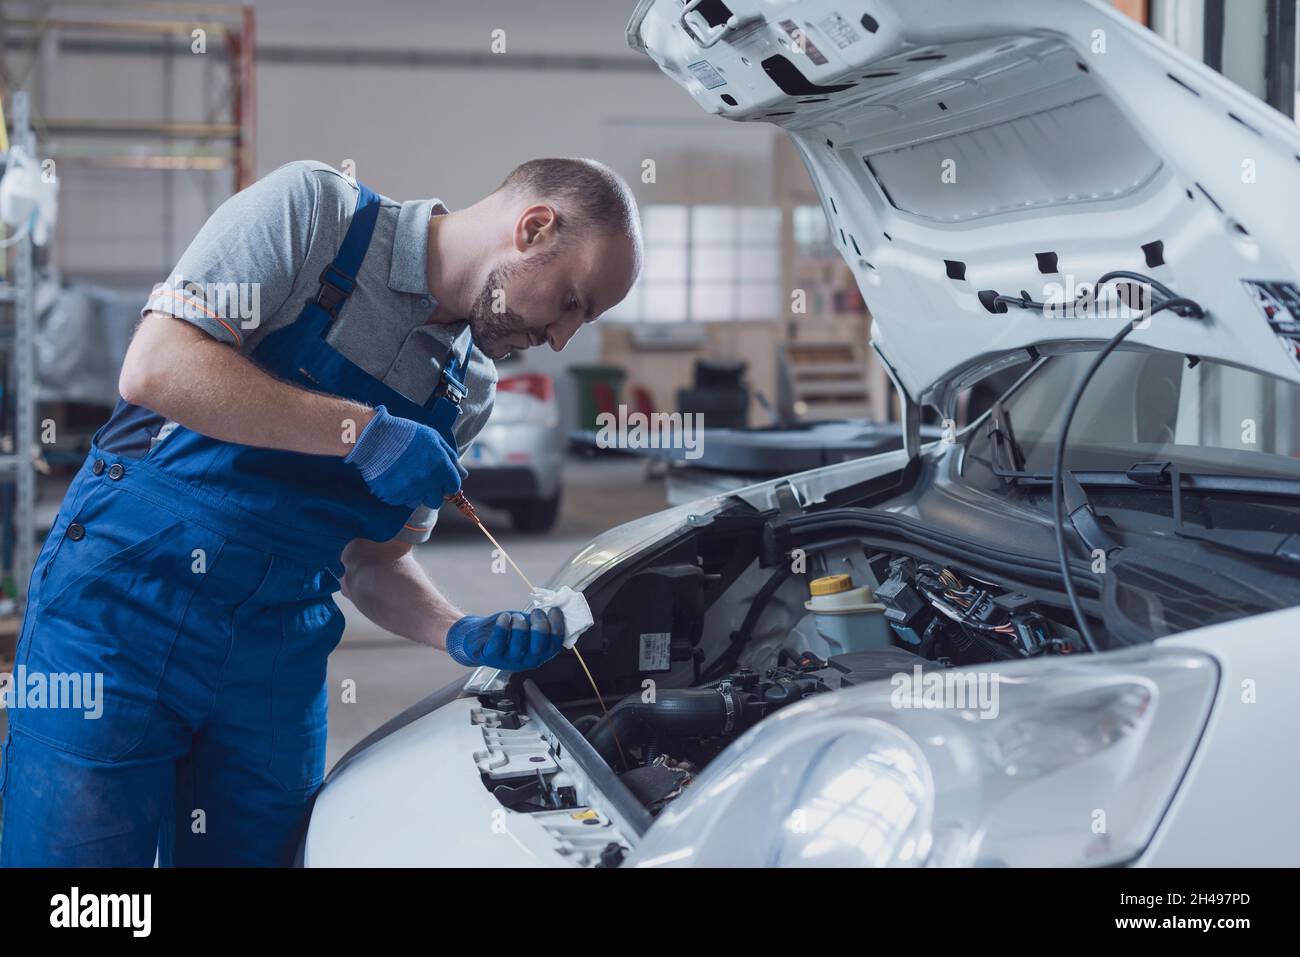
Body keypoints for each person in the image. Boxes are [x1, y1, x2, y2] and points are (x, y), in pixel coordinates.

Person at [0, 157, 642, 866]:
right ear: (533, 227)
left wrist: (458, 631)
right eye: (574, 301)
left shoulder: (468, 392)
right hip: (122, 613)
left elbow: (371, 562)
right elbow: (157, 366)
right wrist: (359, 429)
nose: (562, 338)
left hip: (275, 658)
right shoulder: (318, 218)